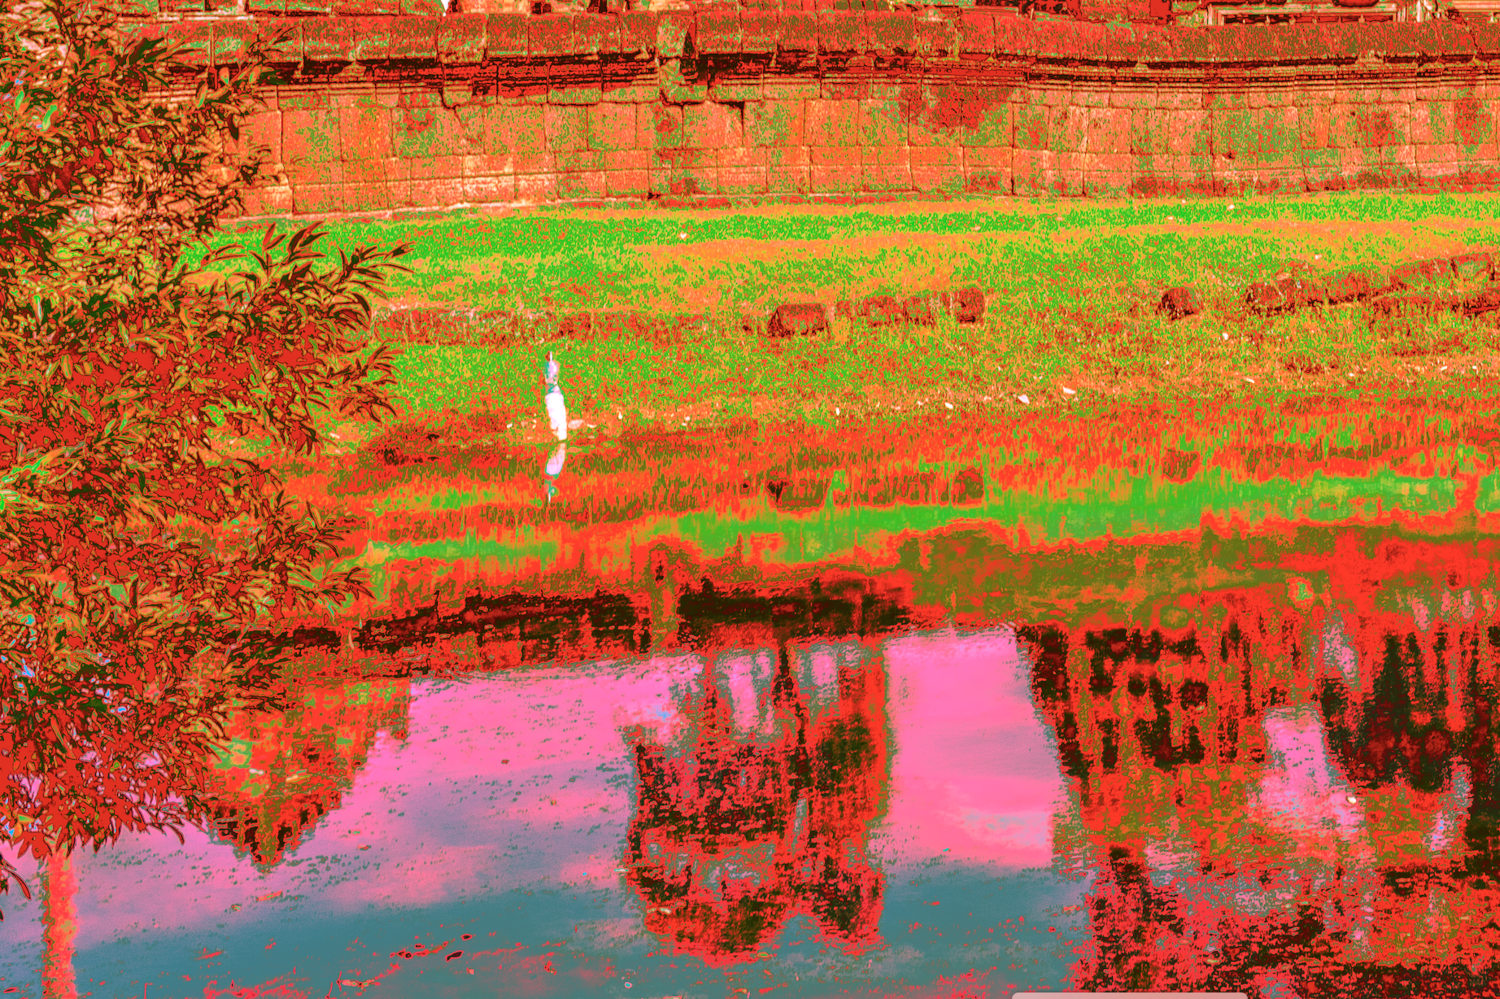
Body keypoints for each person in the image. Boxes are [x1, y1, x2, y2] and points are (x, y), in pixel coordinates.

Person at [542, 349, 567, 442]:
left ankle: (559, 436)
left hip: (553, 395)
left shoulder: (547, 367)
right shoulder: (553, 366)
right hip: (554, 395)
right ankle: (559, 436)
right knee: (558, 419)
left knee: (557, 419)